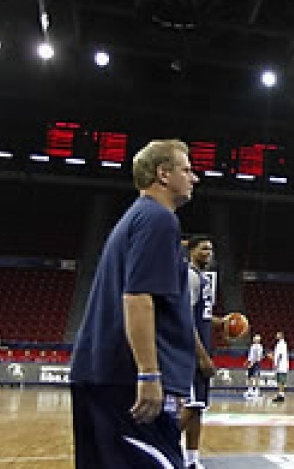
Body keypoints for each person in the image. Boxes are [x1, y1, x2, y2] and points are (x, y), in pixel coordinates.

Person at [69, 139, 212, 469]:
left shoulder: (134, 218)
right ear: (163, 174)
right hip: (126, 379)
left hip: (102, 374)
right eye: (187, 170)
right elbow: (138, 298)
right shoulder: (159, 220)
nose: (195, 178)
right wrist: (149, 375)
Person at [180, 234, 221, 469]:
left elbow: (202, 315)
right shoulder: (189, 276)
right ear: (192, 251)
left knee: (198, 409)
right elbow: (185, 318)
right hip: (190, 353)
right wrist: (202, 356)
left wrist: (221, 322)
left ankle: (192, 460)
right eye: (204, 248)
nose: (209, 253)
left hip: (202, 348)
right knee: (190, 406)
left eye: (211, 249)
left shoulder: (204, 279)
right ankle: (162, 447)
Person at [245, 334, 265, 399]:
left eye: (255, 338)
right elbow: (250, 355)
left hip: (256, 363)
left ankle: (257, 390)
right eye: (254, 338)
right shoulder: (252, 346)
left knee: (257, 377)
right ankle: (250, 390)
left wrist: (252, 363)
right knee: (250, 376)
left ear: (258, 340)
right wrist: (247, 362)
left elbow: (258, 357)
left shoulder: (259, 347)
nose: (254, 339)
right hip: (251, 362)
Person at [271, 332, 289, 403]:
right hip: (279, 365)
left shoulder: (283, 344)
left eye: (278, 334)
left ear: (281, 336)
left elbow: (280, 355)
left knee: (281, 381)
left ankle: (281, 395)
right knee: (279, 381)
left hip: (281, 365)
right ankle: (280, 395)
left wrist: (277, 364)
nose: (276, 335)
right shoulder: (278, 344)